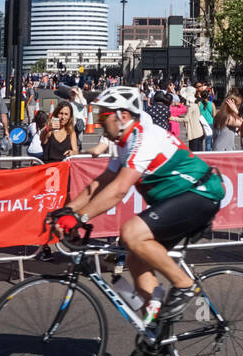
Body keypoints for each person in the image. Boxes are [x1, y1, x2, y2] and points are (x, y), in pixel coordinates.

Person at [50, 86, 224, 323]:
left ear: (122, 115)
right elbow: (100, 183)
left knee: (131, 232)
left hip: (200, 193)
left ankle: (184, 284)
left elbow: (119, 189)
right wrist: (68, 210)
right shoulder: (122, 144)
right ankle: (155, 329)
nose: (100, 122)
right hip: (175, 199)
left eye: (104, 116)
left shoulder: (143, 138)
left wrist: (80, 218)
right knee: (134, 259)